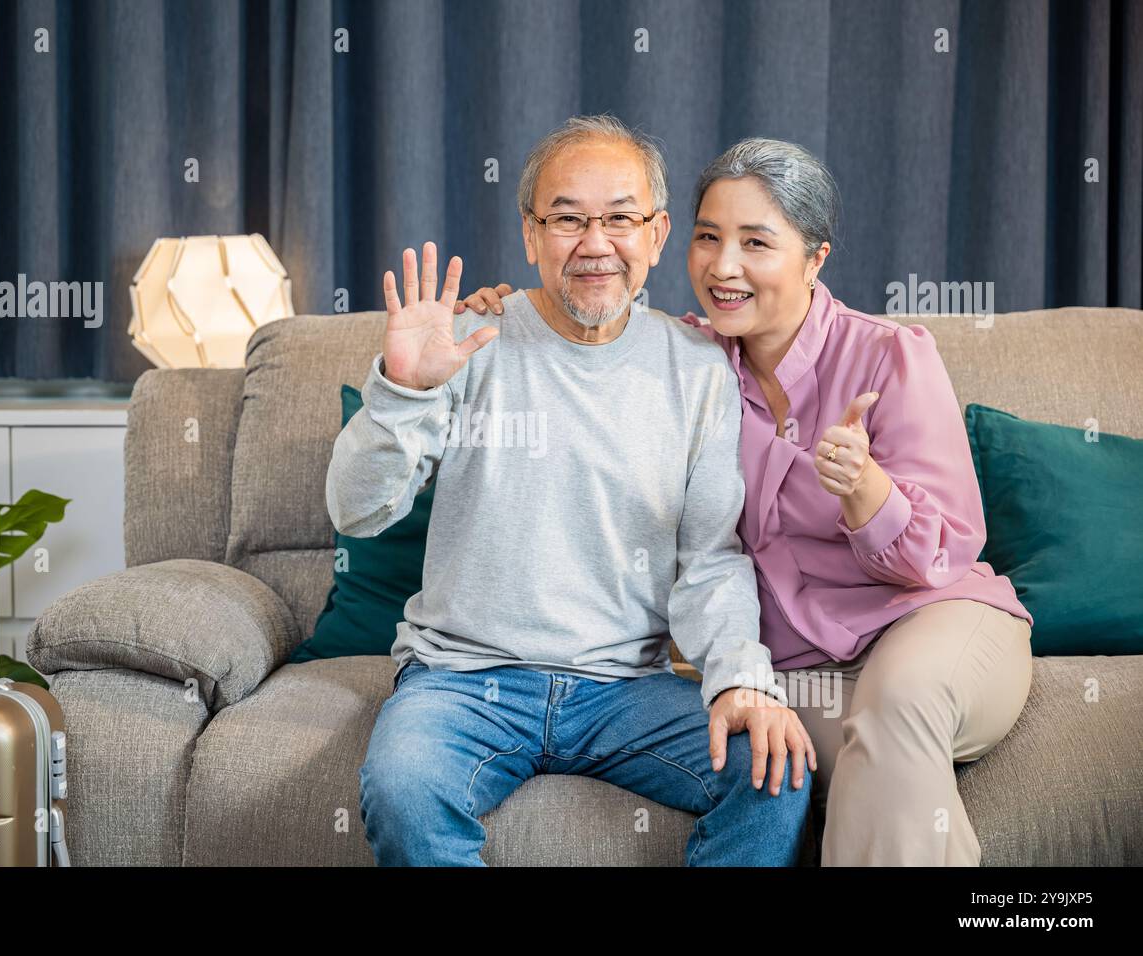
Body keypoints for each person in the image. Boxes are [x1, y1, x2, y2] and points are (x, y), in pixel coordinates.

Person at [456, 137, 1034, 866]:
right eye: (708, 238)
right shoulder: (686, 365)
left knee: (897, 708)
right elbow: (580, 334)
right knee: (784, 760)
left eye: (756, 242)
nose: (723, 266)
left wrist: (866, 489)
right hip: (799, 671)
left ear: (815, 258)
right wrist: (504, 313)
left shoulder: (888, 355)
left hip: (930, 623)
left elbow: (942, 554)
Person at [327, 116, 812, 867]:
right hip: (464, 681)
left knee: (774, 774)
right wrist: (401, 392)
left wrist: (740, 682)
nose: (595, 244)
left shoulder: (699, 368)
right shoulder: (467, 342)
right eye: (567, 219)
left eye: (620, 218)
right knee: (403, 789)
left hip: (627, 691)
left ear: (656, 235)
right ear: (531, 234)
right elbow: (357, 511)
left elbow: (711, 560)